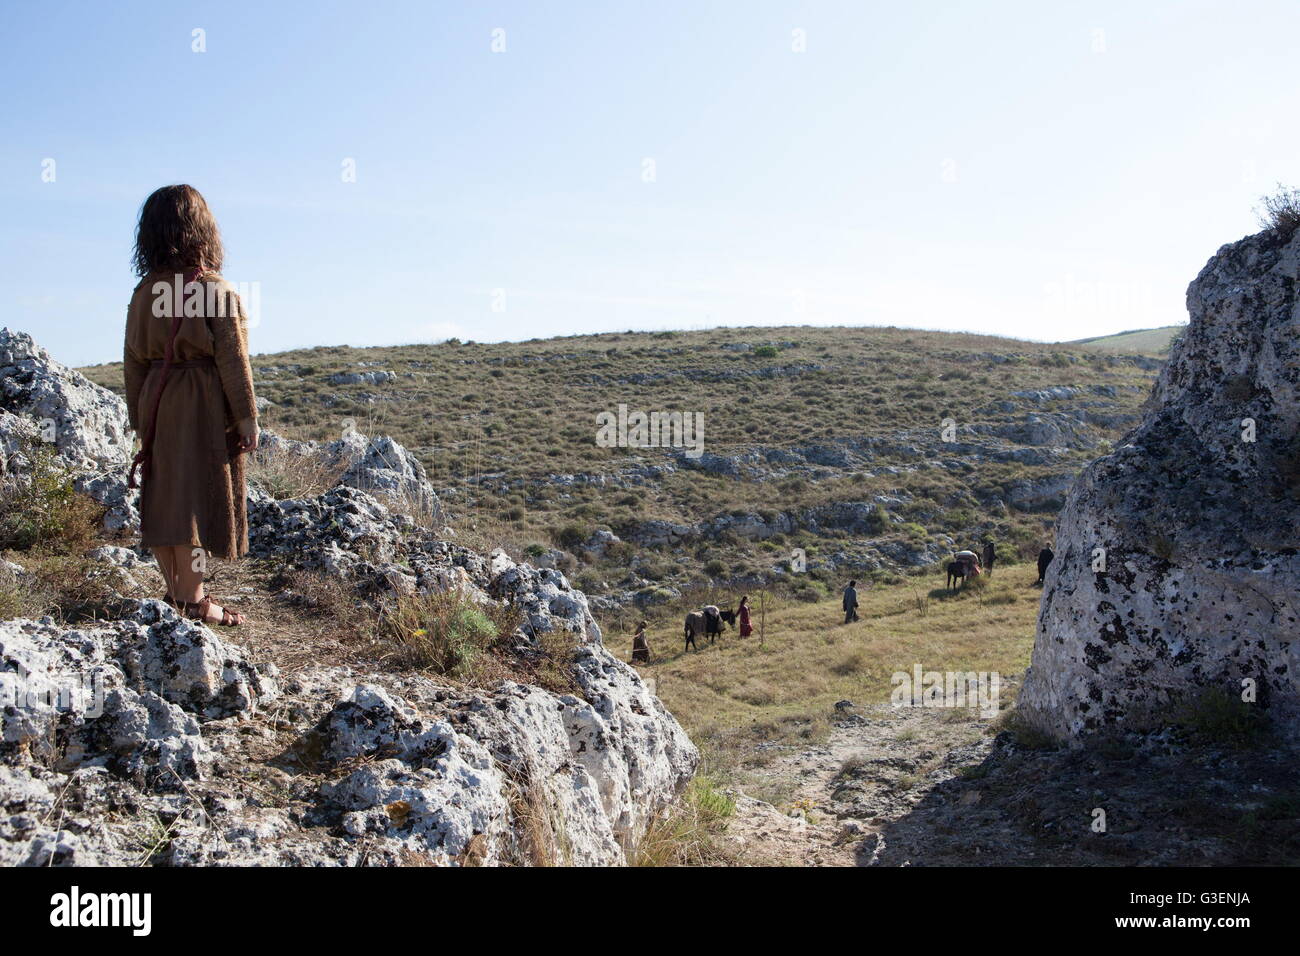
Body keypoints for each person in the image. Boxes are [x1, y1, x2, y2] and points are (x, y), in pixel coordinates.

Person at [124, 184, 259, 627]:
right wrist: (246, 418)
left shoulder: (144, 292)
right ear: (202, 230)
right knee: (199, 503)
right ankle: (194, 600)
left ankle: (177, 592)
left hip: (157, 402)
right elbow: (233, 360)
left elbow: (134, 363)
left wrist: (140, 421)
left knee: (166, 499)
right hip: (200, 400)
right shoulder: (214, 290)